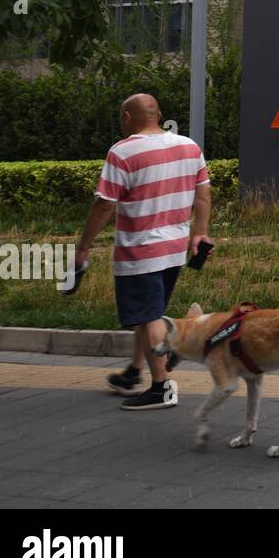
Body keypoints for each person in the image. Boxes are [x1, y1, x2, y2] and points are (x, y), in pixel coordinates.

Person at [75, 93, 213, 410]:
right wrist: (201, 233)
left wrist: (83, 247)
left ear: (126, 117)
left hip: (140, 249)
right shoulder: (189, 146)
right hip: (175, 247)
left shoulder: (122, 152)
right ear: (159, 114)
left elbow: (104, 204)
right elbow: (203, 193)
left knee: (149, 314)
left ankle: (161, 386)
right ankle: (135, 372)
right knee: (146, 311)